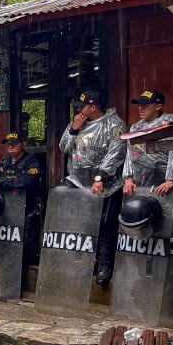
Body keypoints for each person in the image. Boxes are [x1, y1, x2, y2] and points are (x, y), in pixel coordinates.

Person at [58, 89, 126, 286]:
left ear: (93, 107)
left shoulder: (114, 124)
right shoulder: (78, 124)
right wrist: (73, 129)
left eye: (82, 108)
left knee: (105, 226)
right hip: (80, 185)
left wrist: (101, 176)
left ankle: (105, 268)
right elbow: (64, 147)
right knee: (83, 226)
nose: (78, 111)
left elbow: (116, 152)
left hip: (106, 186)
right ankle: (85, 265)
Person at [0, 130, 44, 265]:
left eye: (14, 144)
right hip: (7, 208)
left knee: (25, 243)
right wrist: (2, 182)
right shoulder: (4, 161)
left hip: (26, 208)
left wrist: (5, 182)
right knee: (5, 242)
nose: (10, 147)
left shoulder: (31, 161)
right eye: (8, 144)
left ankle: (25, 277)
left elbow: (27, 180)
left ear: (23, 144)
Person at [122, 89, 173, 198]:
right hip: (138, 186)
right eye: (139, 105)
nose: (140, 108)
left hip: (165, 186)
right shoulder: (136, 127)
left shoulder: (170, 123)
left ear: (158, 106)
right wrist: (128, 179)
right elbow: (129, 155)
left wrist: (171, 180)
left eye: (145, 105)